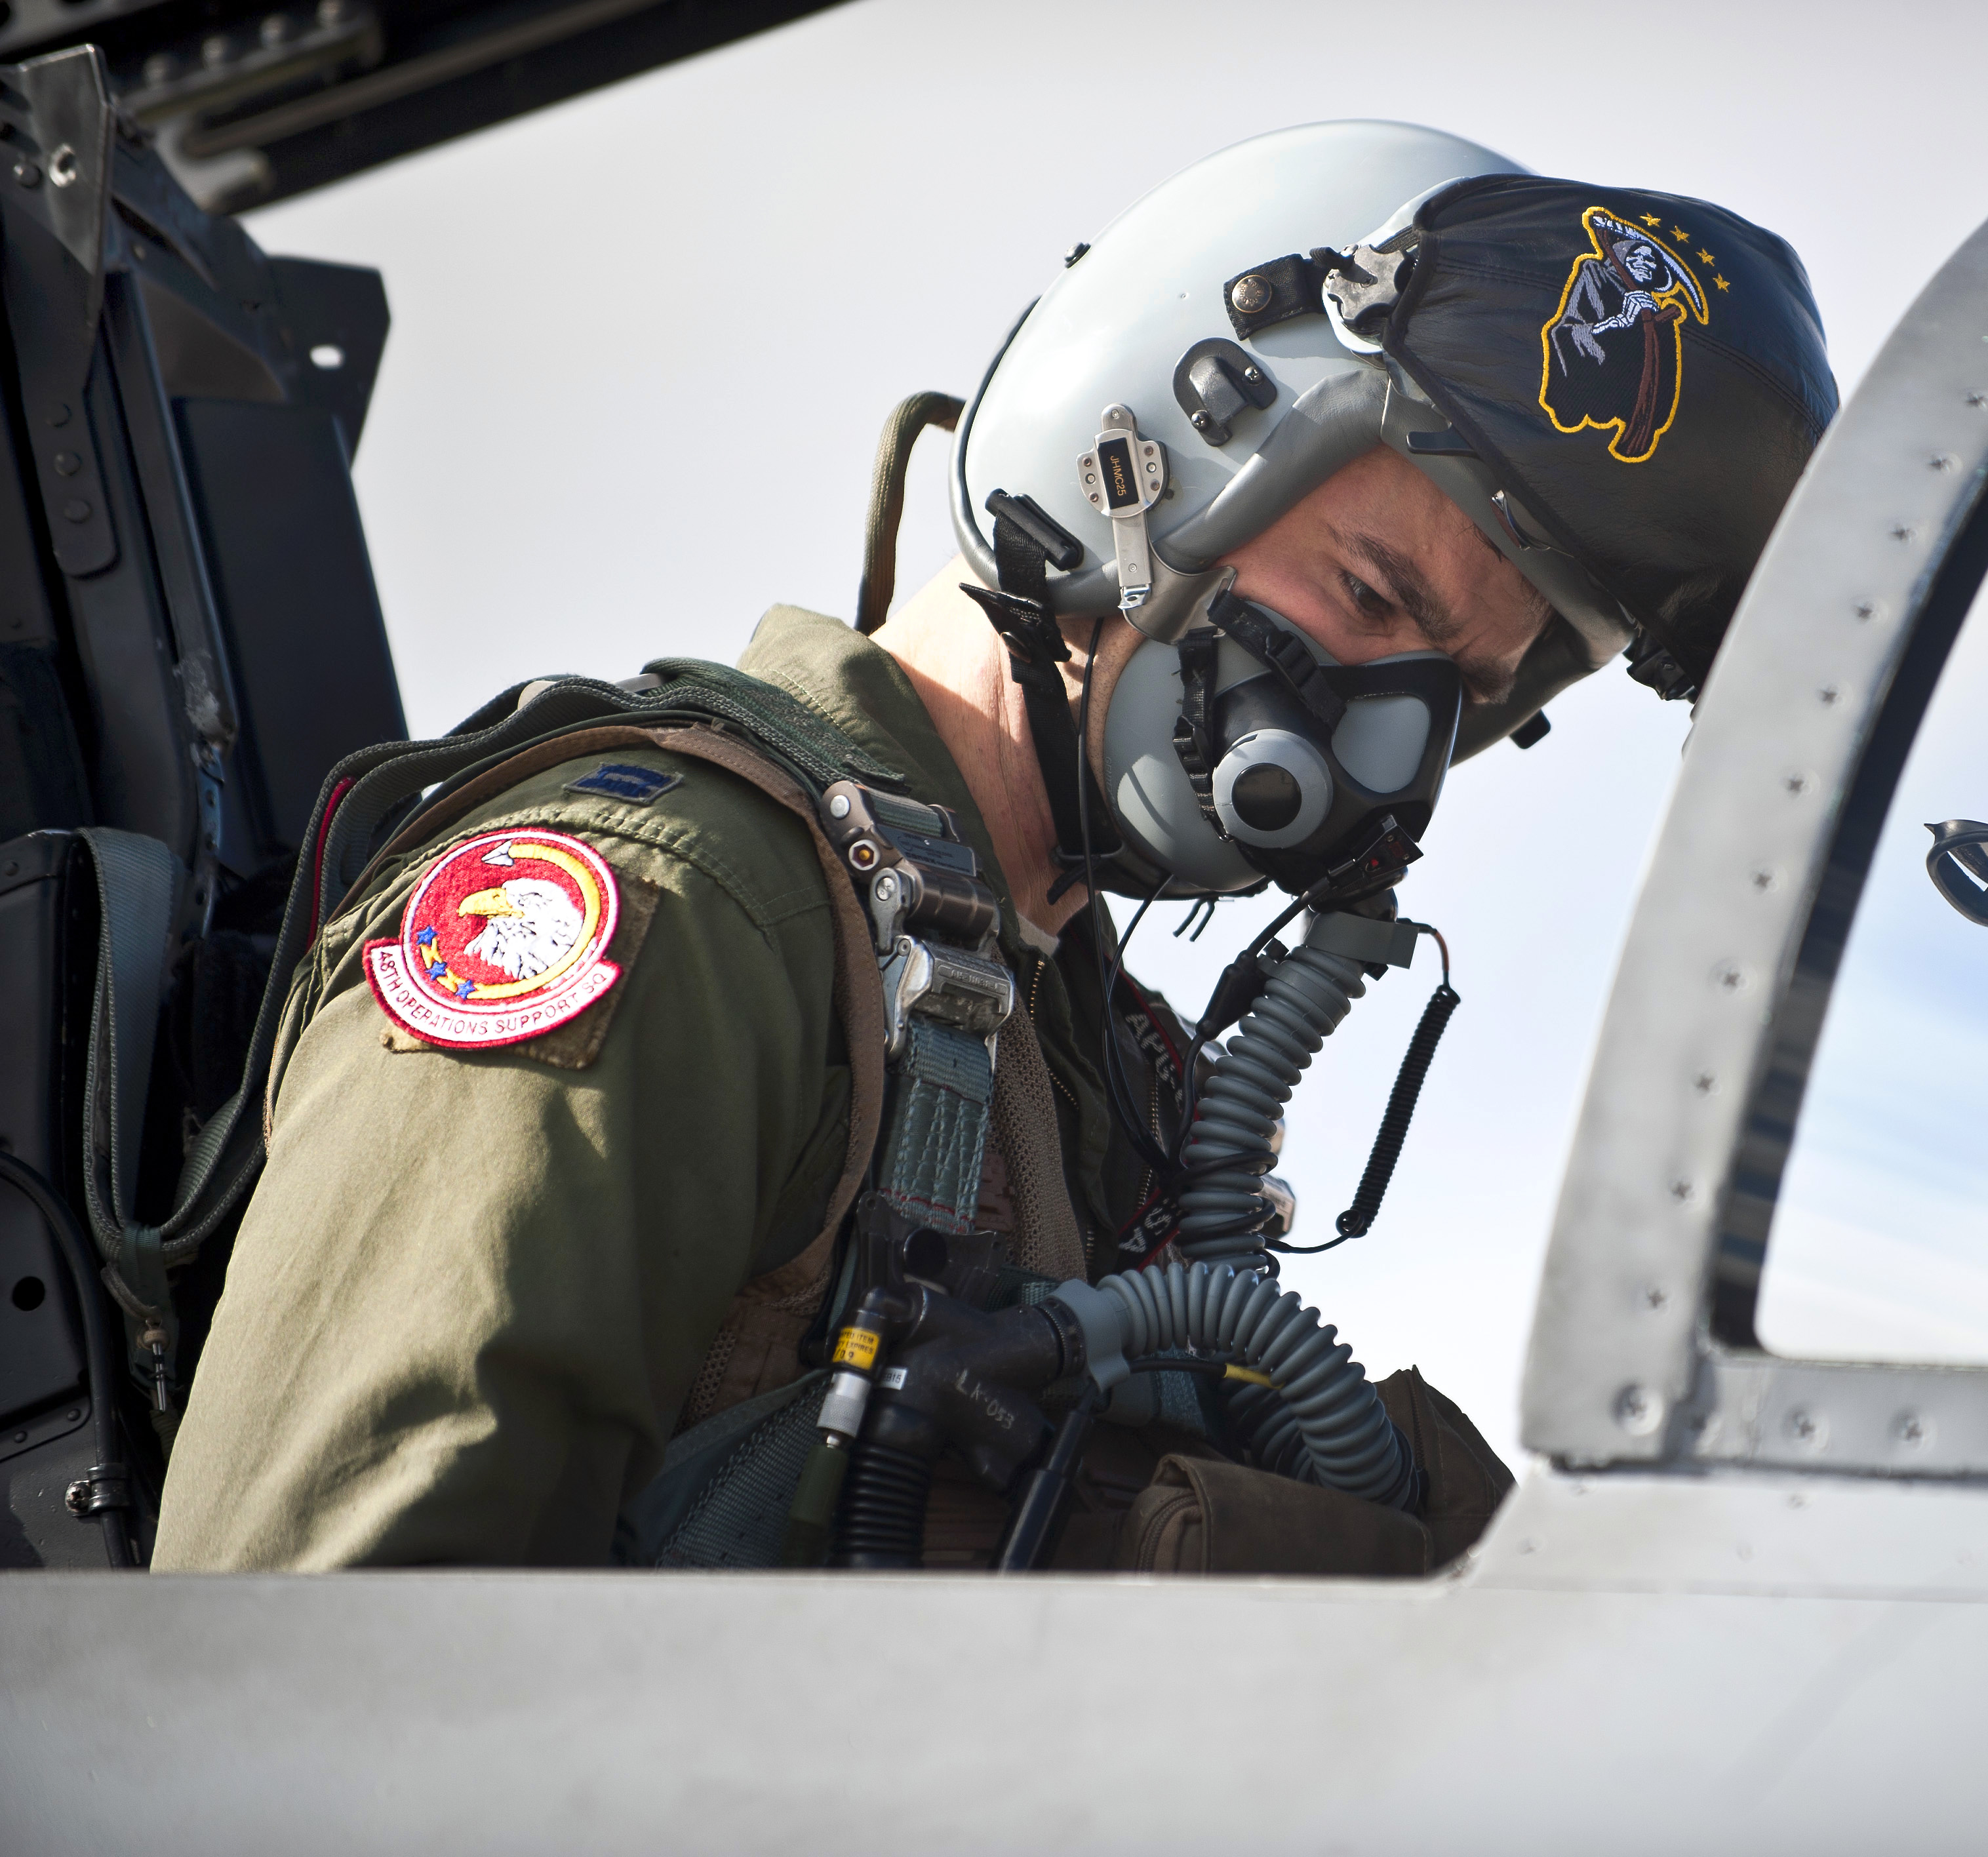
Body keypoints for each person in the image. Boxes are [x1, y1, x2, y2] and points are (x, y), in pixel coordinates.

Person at [152, 122, 1836, 1572]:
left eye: (1454, 694)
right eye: (1373, 598)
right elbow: (304, 1683)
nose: (1390, 752)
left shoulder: (1081, 1063)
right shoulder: (687, 918)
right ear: (1139, 458)